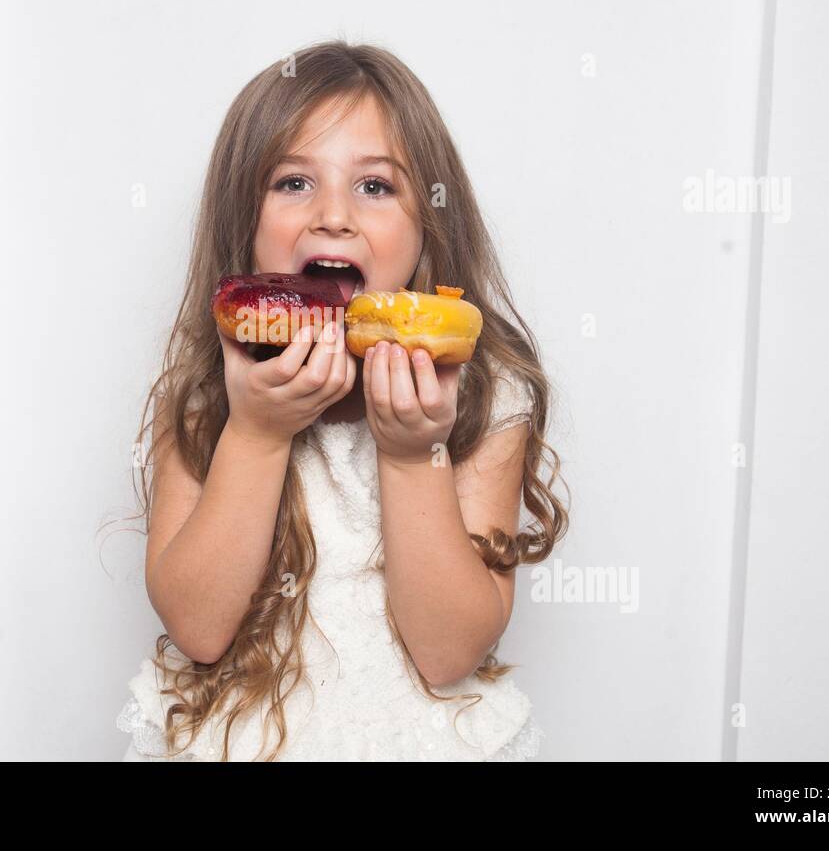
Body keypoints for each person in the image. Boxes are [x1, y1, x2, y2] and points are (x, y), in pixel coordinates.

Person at [115, 40, 568, 761]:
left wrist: (415, 450)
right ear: (245, 222)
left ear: (427, 228)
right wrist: (258, 434)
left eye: (376, 187)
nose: (334, 216)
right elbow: (198, 627)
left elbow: (448, 651)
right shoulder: (203, 397)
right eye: (294, 182)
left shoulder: (485, 396)